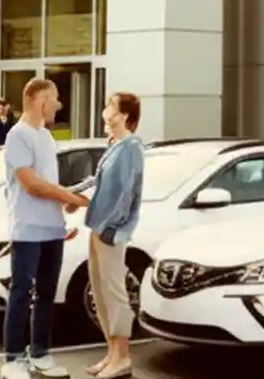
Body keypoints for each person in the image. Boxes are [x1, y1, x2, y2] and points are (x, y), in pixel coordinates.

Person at [1, 78, 90, 379]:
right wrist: (68, 197)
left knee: (47, 293)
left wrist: (67, 201)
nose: (59, 104)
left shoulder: (46, 137)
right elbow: (31, 184)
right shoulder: (18, 136)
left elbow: (48, 182)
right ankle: (13, 359)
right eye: (55, 99)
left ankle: (40, 353)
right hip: (27, 229)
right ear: (40, 101)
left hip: (53, 228)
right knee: (21, 291)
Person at [83, 93, 146, 379]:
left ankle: (122, 357)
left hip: (111, 231)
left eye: (110, 106)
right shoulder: (115, 145)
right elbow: (99, 186)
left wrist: (112, 226)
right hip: (97, 227)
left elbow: (126, 192)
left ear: (123, 116)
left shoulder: (131, 147)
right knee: (100, 292)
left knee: (114, 293)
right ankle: (111, 354)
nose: (105, 111)